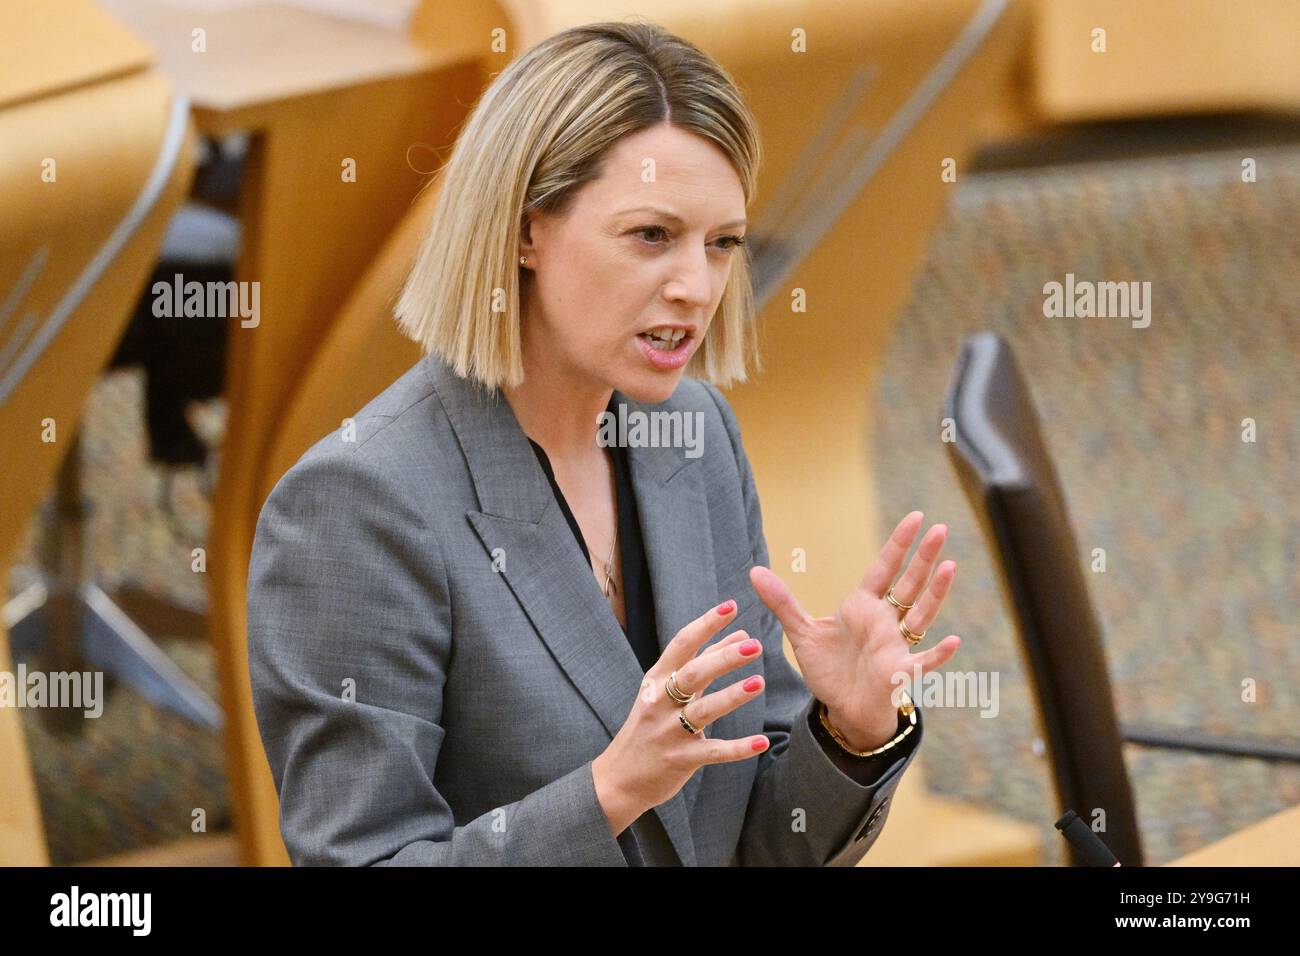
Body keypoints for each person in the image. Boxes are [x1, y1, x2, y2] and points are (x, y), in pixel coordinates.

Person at [247, 19, 962, 866]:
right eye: (651, 236)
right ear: (523, 232)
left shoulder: (694, 439)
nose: (696, 288)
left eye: (722, 244)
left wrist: (847, 731)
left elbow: (748, 845)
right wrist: (612, 790)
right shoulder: (359, 503)